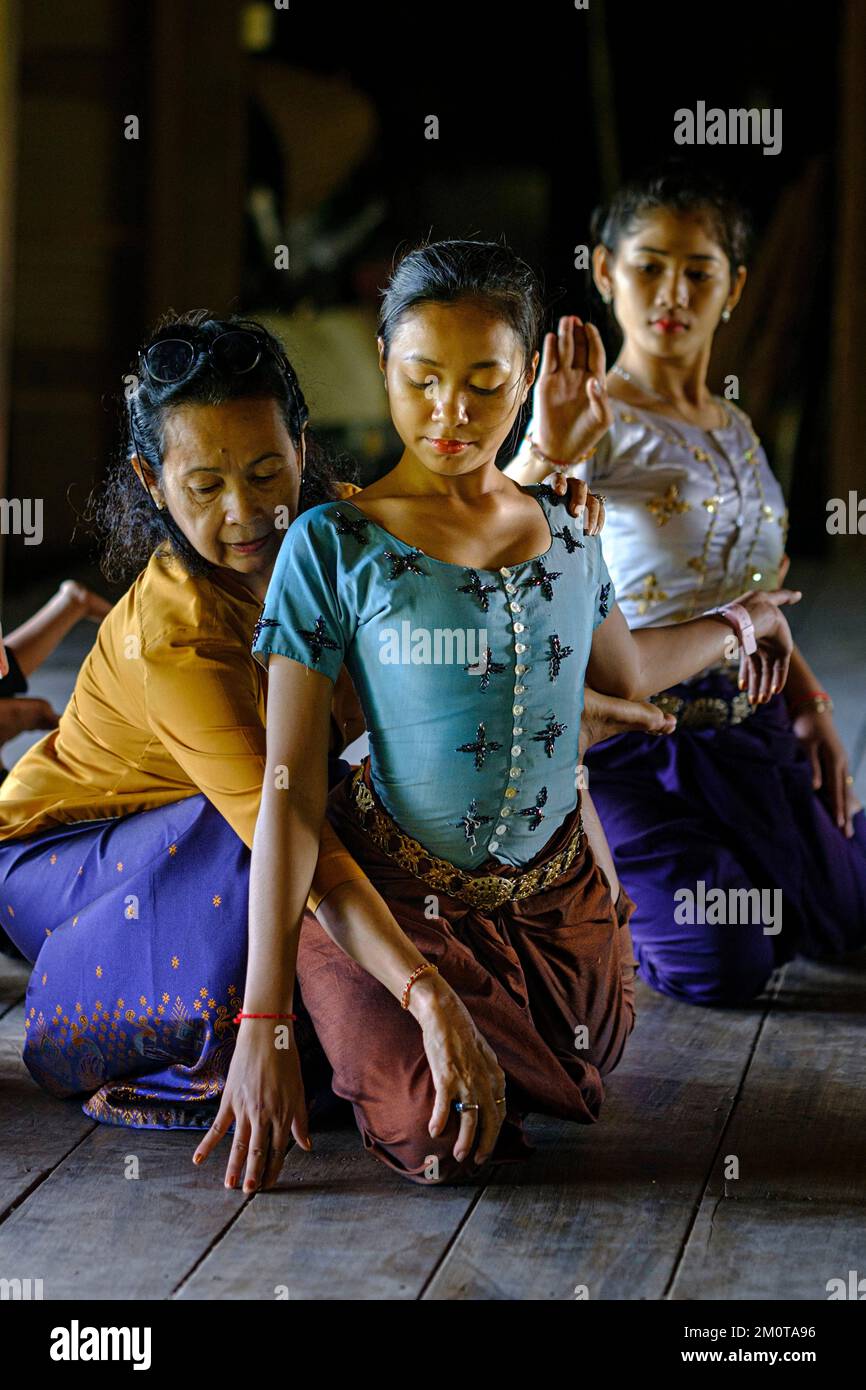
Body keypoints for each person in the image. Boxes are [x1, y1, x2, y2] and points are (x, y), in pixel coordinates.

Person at [193, 239, 799, 1193]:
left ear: (524, 383)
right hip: (396, 902)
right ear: (384, 361)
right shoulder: (334, 543)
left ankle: (402, 1039)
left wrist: (740, 620)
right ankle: (341, 1006)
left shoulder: (563, 528)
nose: (451, 413)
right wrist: (259, 1023)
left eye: (484, 383)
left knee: (589, 1057)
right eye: (423, 378)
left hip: (560, 916)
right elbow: (289, 795)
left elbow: (631, 674)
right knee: (440, 1142)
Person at [0, 310, 610, 1140]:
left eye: (264, 471)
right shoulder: (175, 640)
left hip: (227, 839)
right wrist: (422, 993)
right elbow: (295, 832)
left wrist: (545, 483)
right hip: (66, 859)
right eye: (204, 487)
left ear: (301, 444)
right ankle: (177, 1055)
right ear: (151, 481)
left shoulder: (345, 537)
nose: (245, 513)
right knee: (277, 837)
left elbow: (462, 550)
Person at [505, 162, 866, 1007]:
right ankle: (585, 894)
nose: (673, 291)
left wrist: (810, 703)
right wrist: (547, 450)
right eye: (648, 265)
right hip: (636, 743)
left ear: (734, 287)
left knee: (843, 916)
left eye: (698, 271)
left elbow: (761, 596)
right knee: (724, 961)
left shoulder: (737, 426)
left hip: (752, 728)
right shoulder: (590, 414)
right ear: (604, 272)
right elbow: (508, 524)